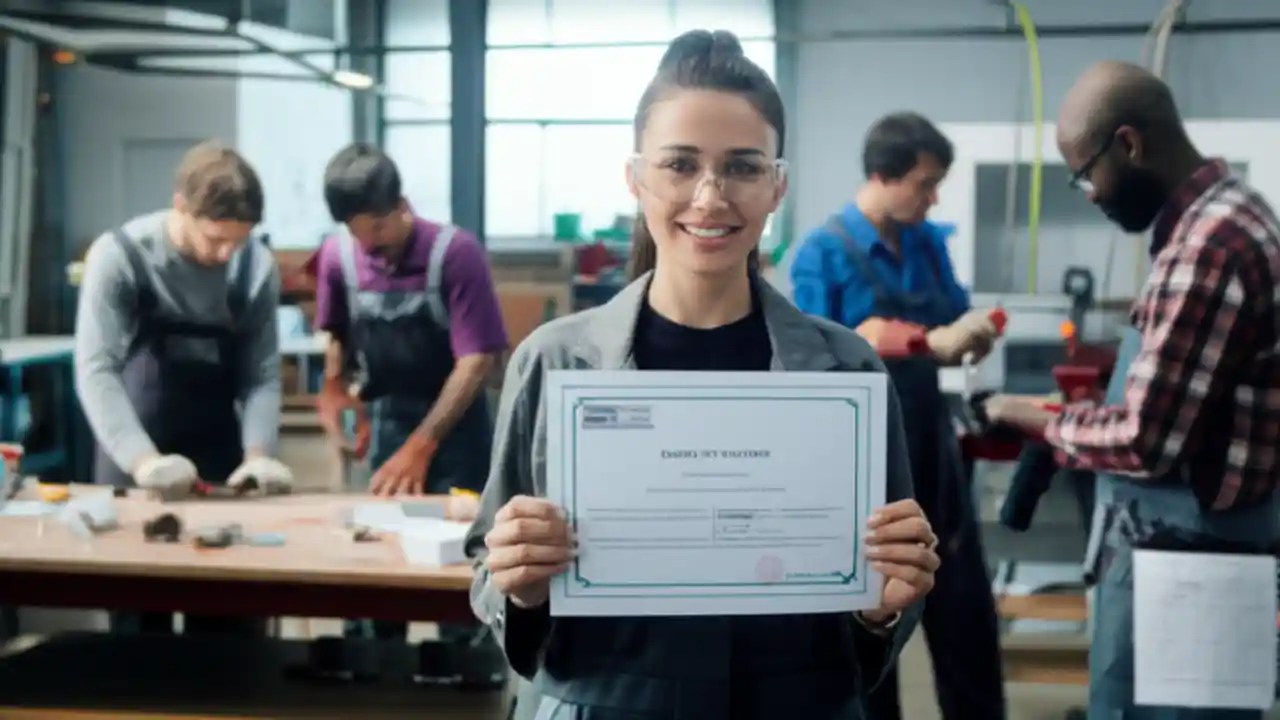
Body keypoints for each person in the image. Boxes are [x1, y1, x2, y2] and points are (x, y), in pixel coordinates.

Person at [465, 30, 941, 720]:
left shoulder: (847, 374)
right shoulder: (554, 363)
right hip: (604, 700)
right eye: (680, 165)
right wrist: (518, 584)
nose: (711, 196)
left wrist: (883, 607)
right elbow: (490, 560)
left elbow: (886, 580)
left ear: (778, 185)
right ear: (636, 178)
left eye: (743, 167)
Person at [984, 61, 1280, 719]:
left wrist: (1037, 419)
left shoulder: (1207, 246)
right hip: (1191, 551)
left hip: (1191, 563)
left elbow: (1147, 439)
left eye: (1087, 172)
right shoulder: (1231, 211)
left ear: (1130, 144)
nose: (1088, 191)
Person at [790, 112, 1006, 720]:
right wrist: (915, 340)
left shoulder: (927, 242)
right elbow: (809, 354)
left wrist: (973, 332)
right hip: (863, 458)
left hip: (932, 443)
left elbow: (953, 316)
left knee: (964, 606)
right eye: (925, 183)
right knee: (875, 606)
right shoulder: (821, 253)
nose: (933, 197)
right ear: (884, 176)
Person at [74, 140, 291, 635]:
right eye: (214, 239)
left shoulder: (254, 266)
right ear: (181, 206)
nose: (224, 254)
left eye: (237, 241)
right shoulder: (121, 256)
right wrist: (143, 461)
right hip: (133, 453)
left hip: (218, 456)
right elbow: (95, 369)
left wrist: (258, 454)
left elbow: (259, 373)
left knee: (227, 619)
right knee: (136, 620)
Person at [313, 143, 507, 643]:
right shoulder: (338, 259)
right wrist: (335, 390)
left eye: (379, 227)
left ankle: (463, 676)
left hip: (458, 433)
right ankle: (373, 671)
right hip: (385, 425)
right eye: (359, 232)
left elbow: (477, 362)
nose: (371, 243)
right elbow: (335, 334)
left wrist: (422, 446)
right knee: (377, 558)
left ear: (403, 205)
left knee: (459, 566)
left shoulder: (455, 254)